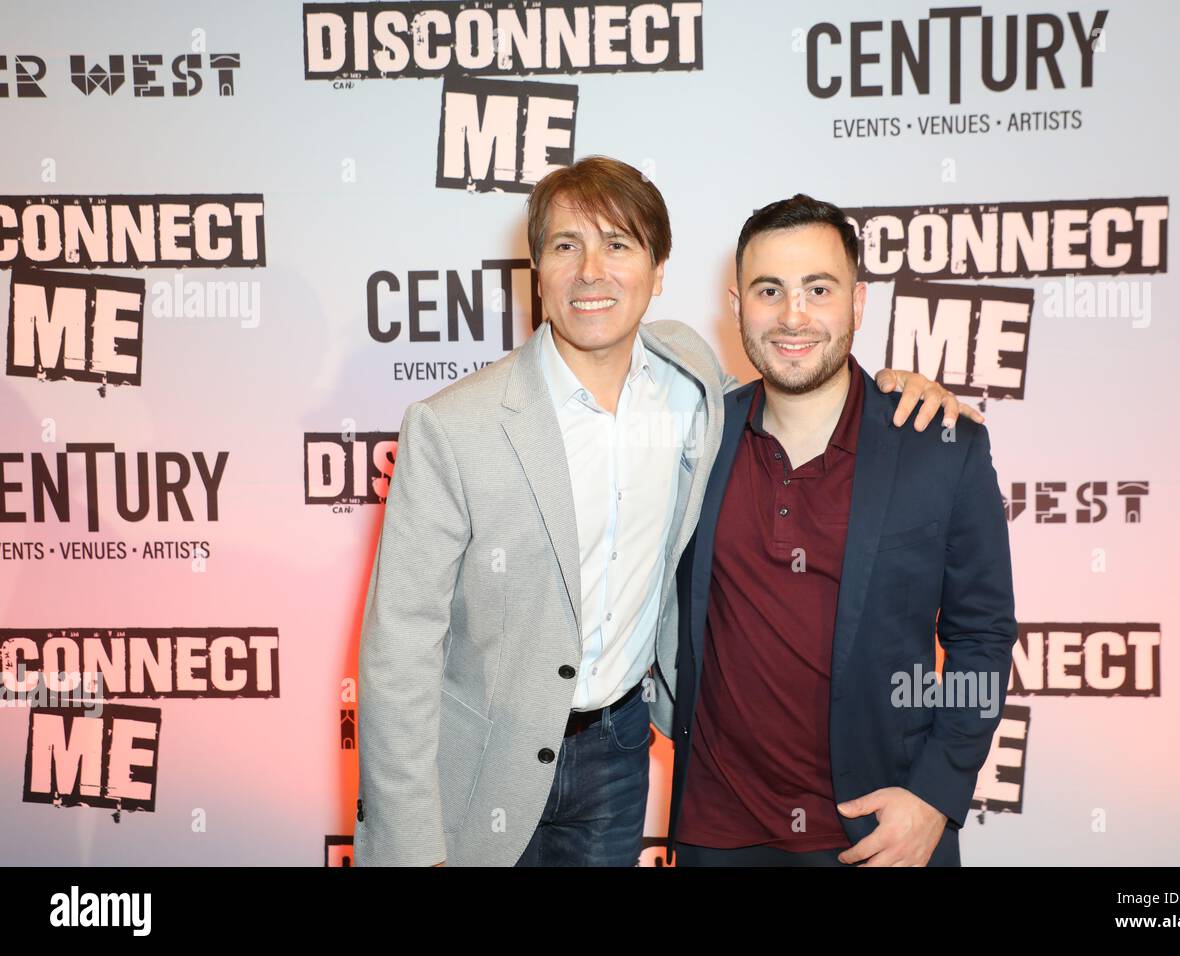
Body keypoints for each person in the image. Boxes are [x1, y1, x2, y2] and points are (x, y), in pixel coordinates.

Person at [353, 157, 978, 867]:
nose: (591, 272)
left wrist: (900, 389)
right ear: (537, 270)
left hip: (620, 756)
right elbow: (398, 648)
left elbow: (804, 375)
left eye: (618, 245)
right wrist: (410, 847)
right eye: (566, 246)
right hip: (477, 765)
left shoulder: (693, 388)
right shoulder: (454, 425)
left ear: (657, 274)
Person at [667, 194, 1016, 868]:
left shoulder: (941, 445)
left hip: (880, 834)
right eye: (769, 290)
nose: (793, 316)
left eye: (818, 290)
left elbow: (982, 636)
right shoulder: (694, 439)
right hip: (718, 833)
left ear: (857, 304)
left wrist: (935, 794)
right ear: (737, 306)